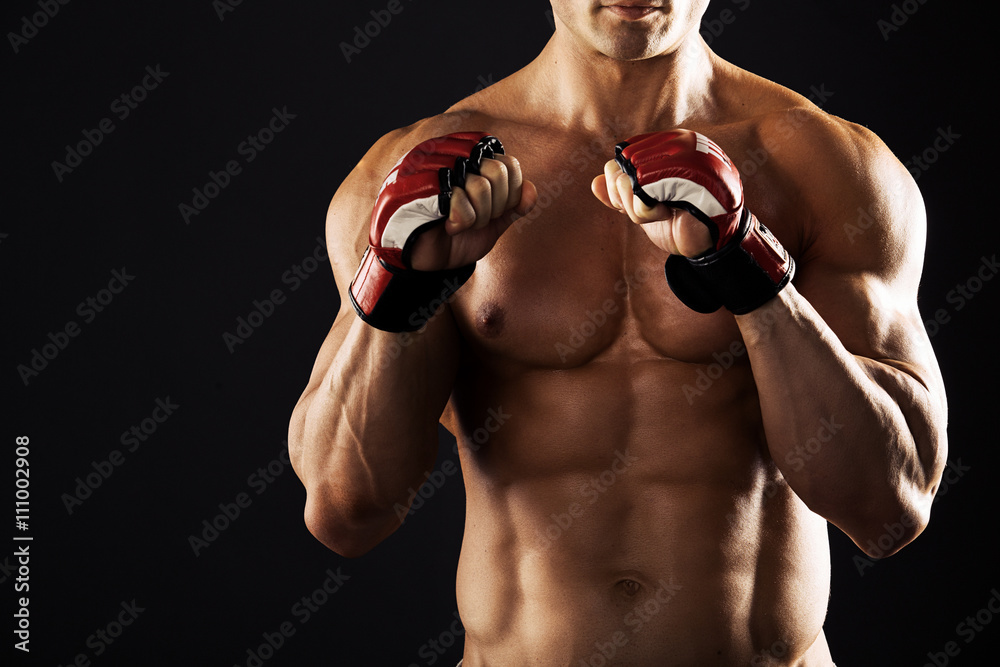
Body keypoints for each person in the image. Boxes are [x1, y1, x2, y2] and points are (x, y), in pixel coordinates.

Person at [288, 1, 949, 663]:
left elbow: (889, 507)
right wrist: (401, 287)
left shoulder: (828, 165)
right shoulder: (413, 176)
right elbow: (346, 511)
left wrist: (752, 274)